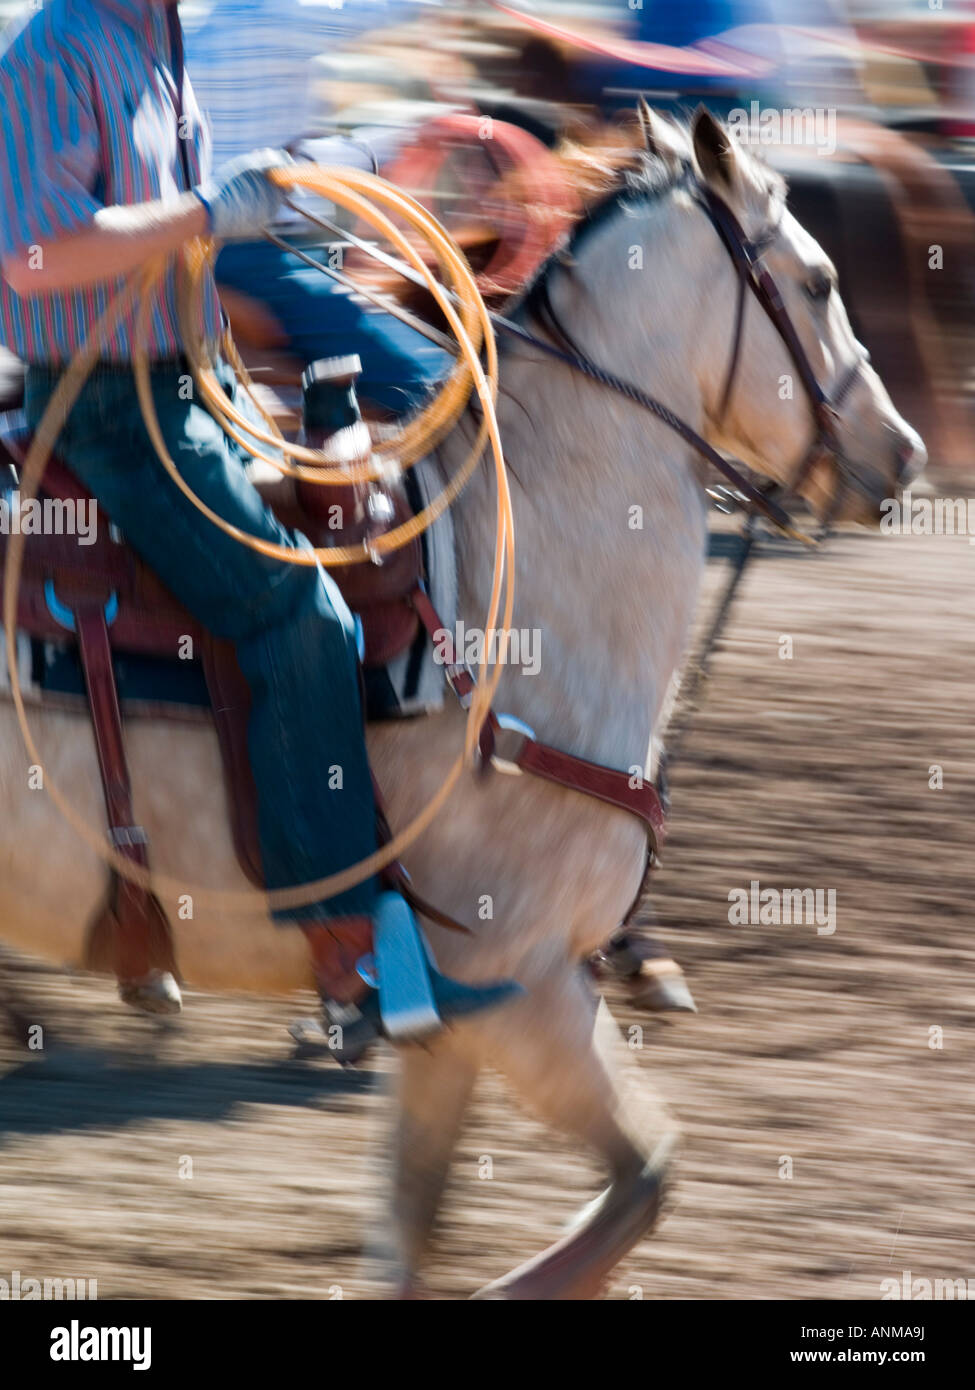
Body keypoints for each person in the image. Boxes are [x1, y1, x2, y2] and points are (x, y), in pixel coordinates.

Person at [0, 0, 519, 1058]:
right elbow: (34, 258)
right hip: (110, 408)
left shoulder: (156, 41)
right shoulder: (54, 51)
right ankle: (346, 955)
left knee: (365, 526)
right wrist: (204, 214)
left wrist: (268, 192)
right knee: (301, 613)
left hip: (191, 382)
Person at [184, 0, 451, 417]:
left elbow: (296, 160)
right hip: (263, 257)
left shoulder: (189, 29)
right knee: (429, 387)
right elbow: (377, 11)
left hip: (207, 247)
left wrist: (404, 137)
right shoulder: (275, 16)